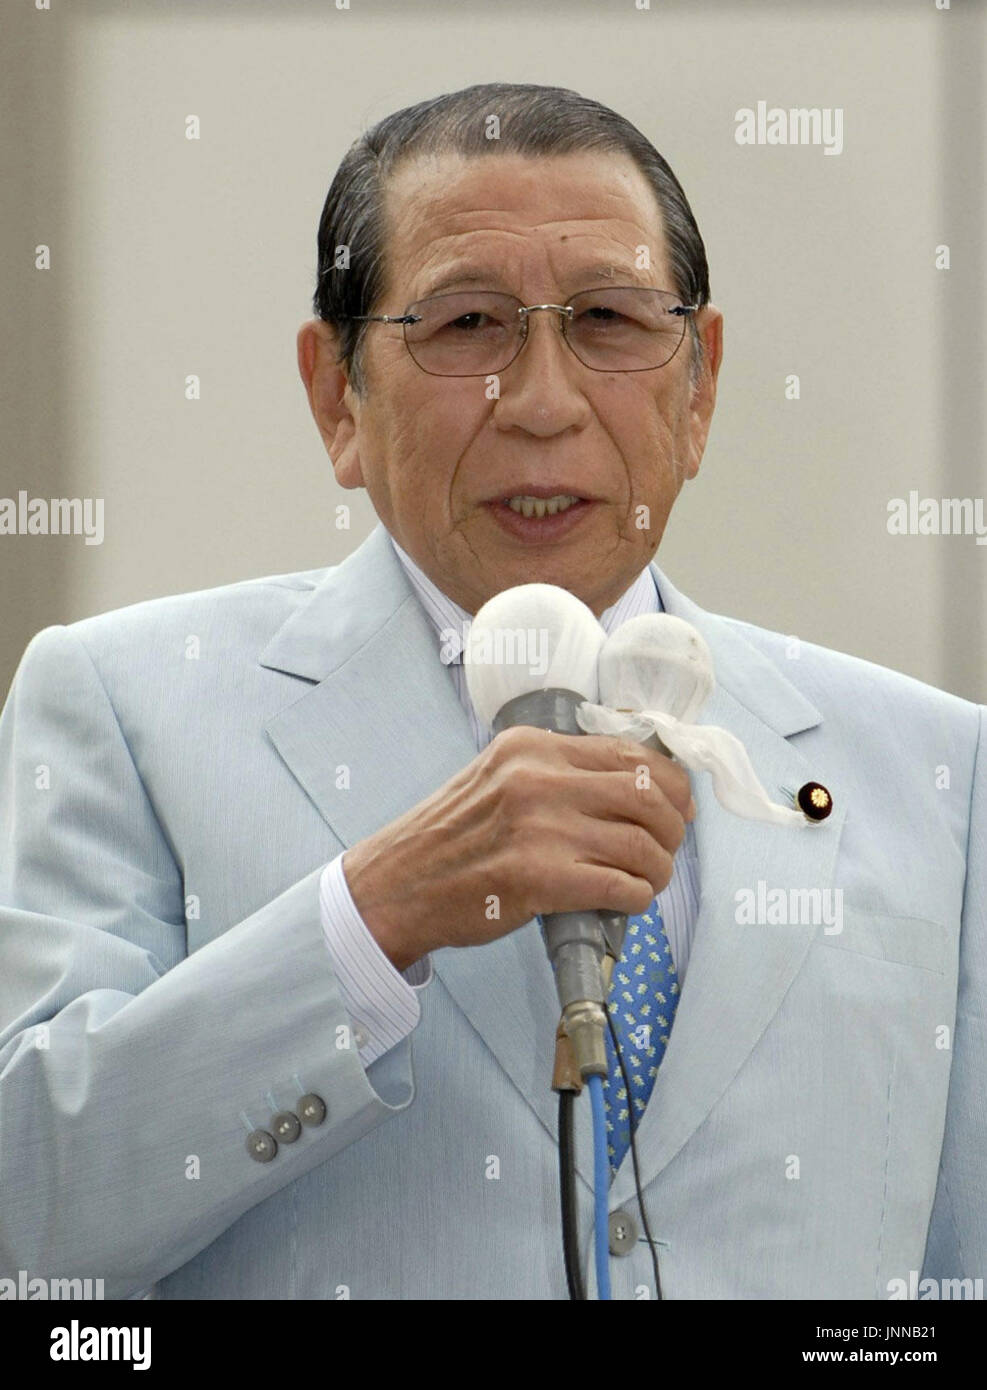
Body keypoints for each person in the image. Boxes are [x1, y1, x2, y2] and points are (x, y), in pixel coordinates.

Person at [0, 83, 983, 1302]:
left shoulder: (939, 767)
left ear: (703, 385)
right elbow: (28, 1218)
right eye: (468, 324)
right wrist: (371, 918)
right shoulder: (124, 705)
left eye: (612, 320)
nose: (545, 400)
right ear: (335, 396)